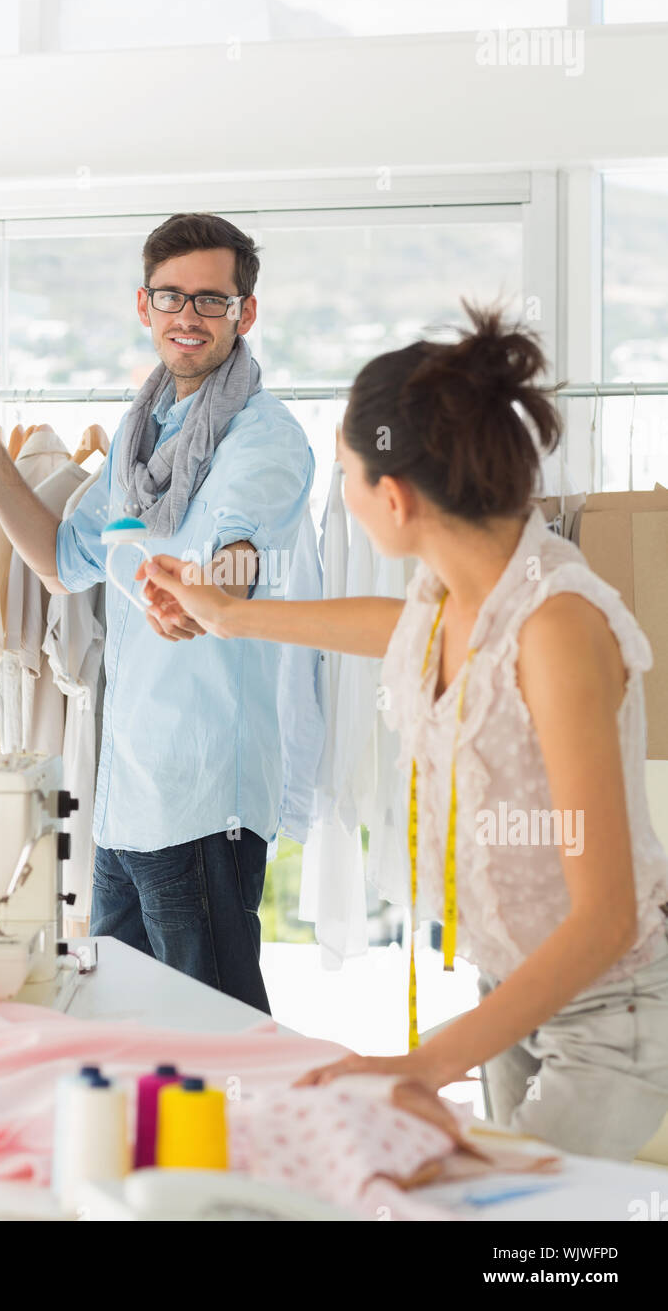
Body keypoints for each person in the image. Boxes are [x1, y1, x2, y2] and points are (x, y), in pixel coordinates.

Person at [137, 302, 668, 1160]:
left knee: (510, 1224)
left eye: (345, 471)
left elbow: (606, 917)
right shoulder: (455, 592)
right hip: (515, 987)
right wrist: (229, 617)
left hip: (611, 1011)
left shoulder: (558, 628)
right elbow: (392, 626)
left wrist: (421, 1064)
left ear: (392, 496)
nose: (341, 490)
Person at [0, 212, 314, 1013]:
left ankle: (249, 1142)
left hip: (205, 796)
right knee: (120, 1024)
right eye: (171, 297)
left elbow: (240, 555)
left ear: (245, 313)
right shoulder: (136, 439)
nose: (188, 316)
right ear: (143, 306)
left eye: (210, 300)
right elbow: (58, 561)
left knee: (217, 1033)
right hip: (125, 798)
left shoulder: (265, 439)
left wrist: (208, 595)